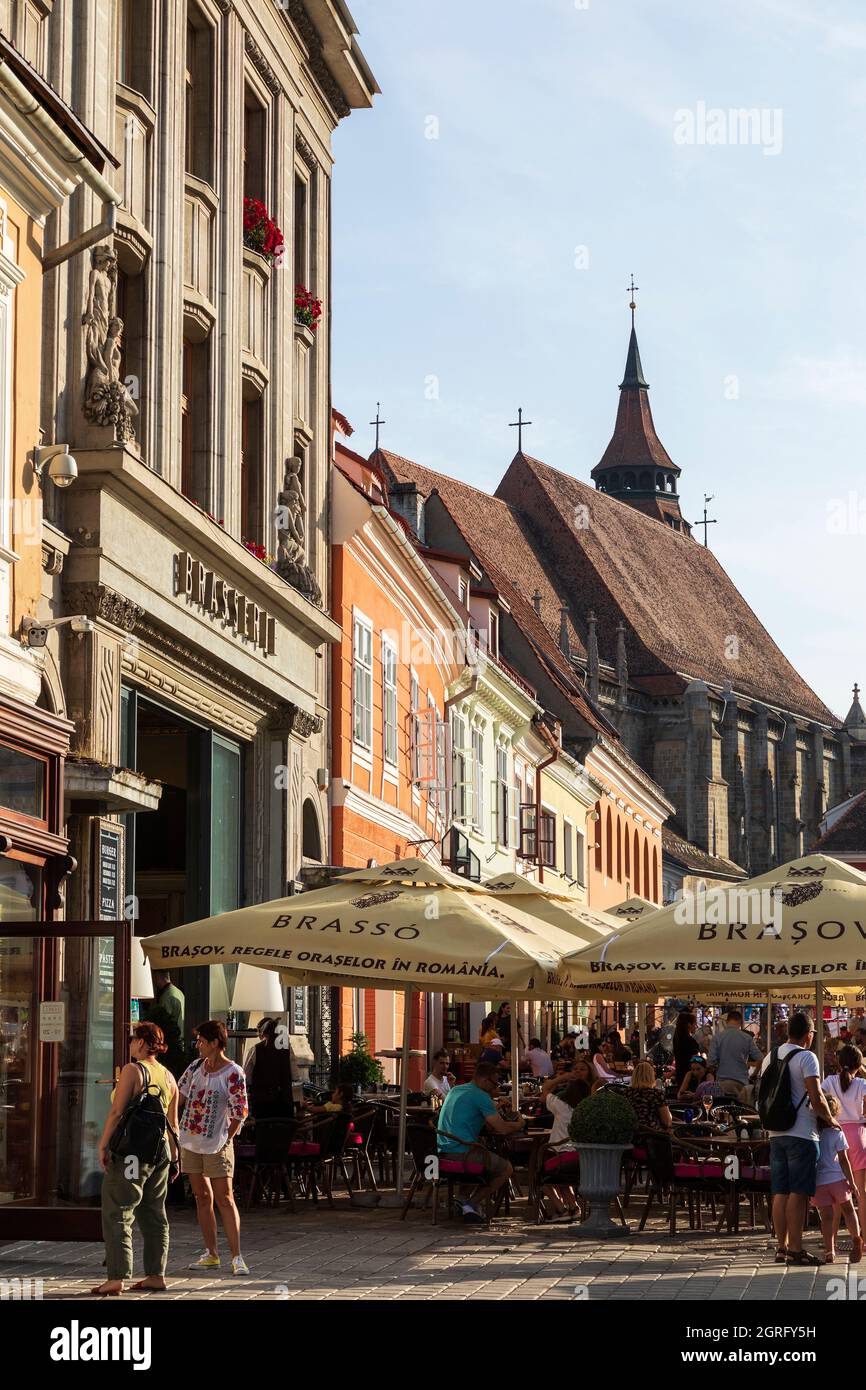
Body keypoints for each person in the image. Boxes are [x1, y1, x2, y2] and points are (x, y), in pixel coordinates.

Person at [94, 1022, 179, 1295]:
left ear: (143, 1042)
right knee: (154, 1213)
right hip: (161, 1152)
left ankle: (117, 1277)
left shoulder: (134, 1070)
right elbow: (174, 1123)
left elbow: (117, 1112)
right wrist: (176, 1158)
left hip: (132, 1152)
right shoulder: (168, 1076)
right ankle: (156, 1274)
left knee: (118, 1209)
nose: (130, 1043)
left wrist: (104, 1144)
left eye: (133, 1039)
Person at [759, 1011, 839, 1267]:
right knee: (798, 1192)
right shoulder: (807, 1057)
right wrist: (830, 1119)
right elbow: (816, 1097)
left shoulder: (770, 1056)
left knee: (780, 1191)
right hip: (802, 1133)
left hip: (775, 1132)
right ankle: (796, 1249)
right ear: (809, 1035)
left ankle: (781, 1248)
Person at [178, 1020, 250, 1276]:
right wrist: (175, 1127)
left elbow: (240, 1111)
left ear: (214, 1043)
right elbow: (180, 1095)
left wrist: (227, 1138)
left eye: (201, 1041)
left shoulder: (233, 1073)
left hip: (217, 1142)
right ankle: (211, 1252)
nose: (198, 1045)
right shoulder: (196, 1066)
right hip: (191, 1140)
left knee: (225, 1198)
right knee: (201, 1196)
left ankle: (236, 1255)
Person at [436, 1061, 525, 1223]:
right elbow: (502, 1128)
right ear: (484, 1080)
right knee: (506, 1169)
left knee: (483, 1151)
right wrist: (520, 1123)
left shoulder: (456, 1089)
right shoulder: (481, 1095)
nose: (496, 1087)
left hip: (442, 1151)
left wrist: (494, 1108)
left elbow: (470, 1113)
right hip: (461, 1153)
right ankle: (470, 1204)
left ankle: (462, 1197)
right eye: (495, 1083)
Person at [812, 1092, 862, 1263]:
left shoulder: (813, 1134)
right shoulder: (837, 1133)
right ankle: (856, 1238)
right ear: (834, 1113)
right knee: (848, 1210)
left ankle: (829, 1250)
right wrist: (853, 1182)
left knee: (826, 1216)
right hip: (837, 1179)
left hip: (819, 1181)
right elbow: (844, 1160)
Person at [539, 1070, 589, 1220]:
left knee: (541, 1175)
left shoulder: (561, 1107)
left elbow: (544, 1090)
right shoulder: (586, 1110)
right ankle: (573, 1208)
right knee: (563, 1179)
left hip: (563, 1156)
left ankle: (560, 1209)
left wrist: (562, 1078)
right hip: (582, 1158)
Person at [822, 1044, 866, 1216]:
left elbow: (817, 1101)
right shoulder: (862, 1083)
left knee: (836, 1194)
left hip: (835, 1135)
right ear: (858, 1064)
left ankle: (831, 1241)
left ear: (839, 1063)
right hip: (859, 1136)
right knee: (862, 1193)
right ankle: (864, 1240)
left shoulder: (829, 1082)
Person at [244, 1017, 295, 1120]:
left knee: (262, 1131)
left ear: (262, 1033)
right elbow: (295, 1075)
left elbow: (246, 1077)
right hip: (283, 1101)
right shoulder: (287, 1048)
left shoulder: (255, 1049)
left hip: (261, 1102)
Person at [708, 1009, 763, 1103]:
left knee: (721, 1112)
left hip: (722, 1085)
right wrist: (754, 1075)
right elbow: (760, 1058)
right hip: (741, 1085)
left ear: (727, 1021)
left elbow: (711, 1062)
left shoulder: (717, 1038)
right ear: (740, 1022)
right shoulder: (747, 1038)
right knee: (741, 1113)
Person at [623, 1060, 673, 1131]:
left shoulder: (627, 1092)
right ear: (651, 1076)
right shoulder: (656, 1093)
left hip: (631, 1134)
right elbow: (667, 1122)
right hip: (653, 1135)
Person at [672, 1010, 699, 1087]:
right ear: (689, 1025)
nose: (696, 1026)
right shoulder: (690, 1041)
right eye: (695, 1023)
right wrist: (702, 1059)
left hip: (680, 1077)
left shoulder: (677, 1039)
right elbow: (696, 1061)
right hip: (690, 1078)